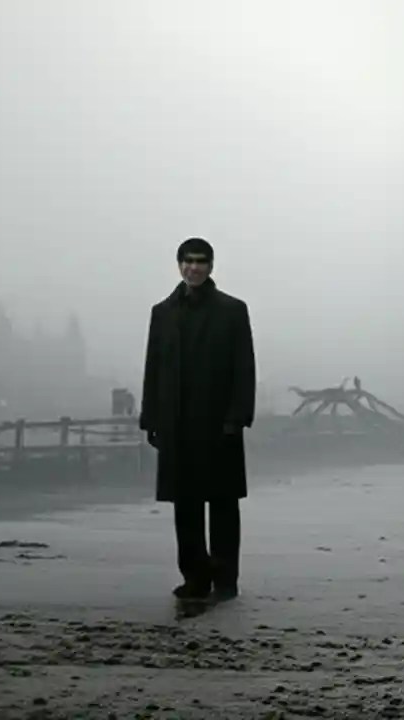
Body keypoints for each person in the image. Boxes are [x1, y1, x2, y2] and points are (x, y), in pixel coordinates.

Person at [139, 237, 256, 602]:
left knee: (223, 504)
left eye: (200, 261)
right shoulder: (162, 312)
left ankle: (225, 579)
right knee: (185, 505)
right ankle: (194, 578)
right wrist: (150, 418)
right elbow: (153, 367)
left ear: (210, 266)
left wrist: (237, 417)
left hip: (220, 422)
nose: (194, 267)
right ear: (179, 265)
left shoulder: (232, 310)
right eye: (188, 261)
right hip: (177, 422)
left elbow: (244, 367)